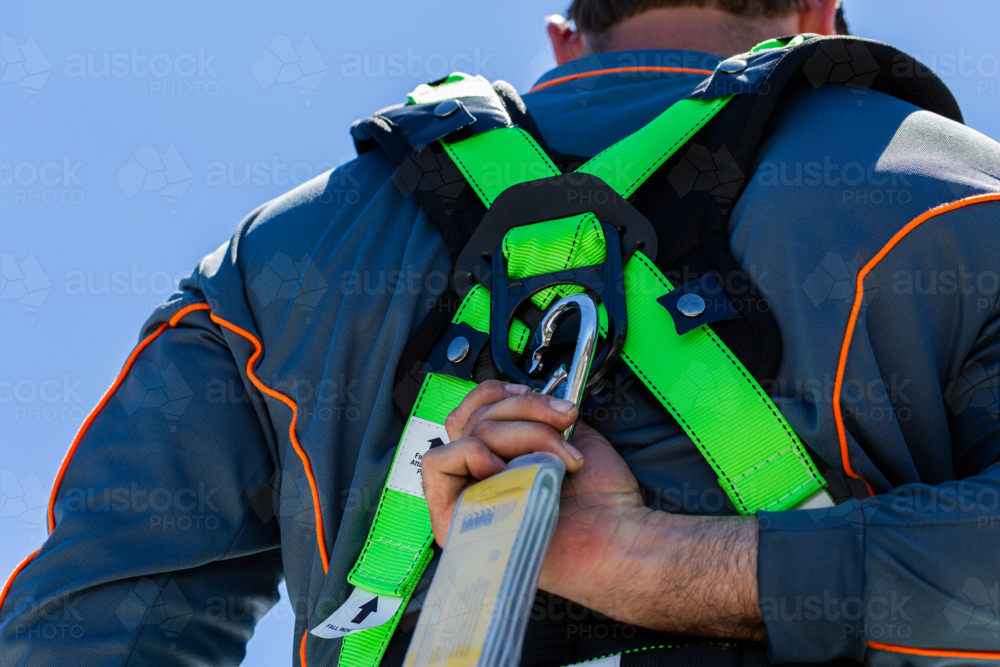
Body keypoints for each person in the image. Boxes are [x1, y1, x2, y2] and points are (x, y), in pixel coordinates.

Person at [3, 1, 1000, 665]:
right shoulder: (960, 199)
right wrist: (667, 565)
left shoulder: (263, 269)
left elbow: (81, 634)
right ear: (816, 13)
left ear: (567, 38)